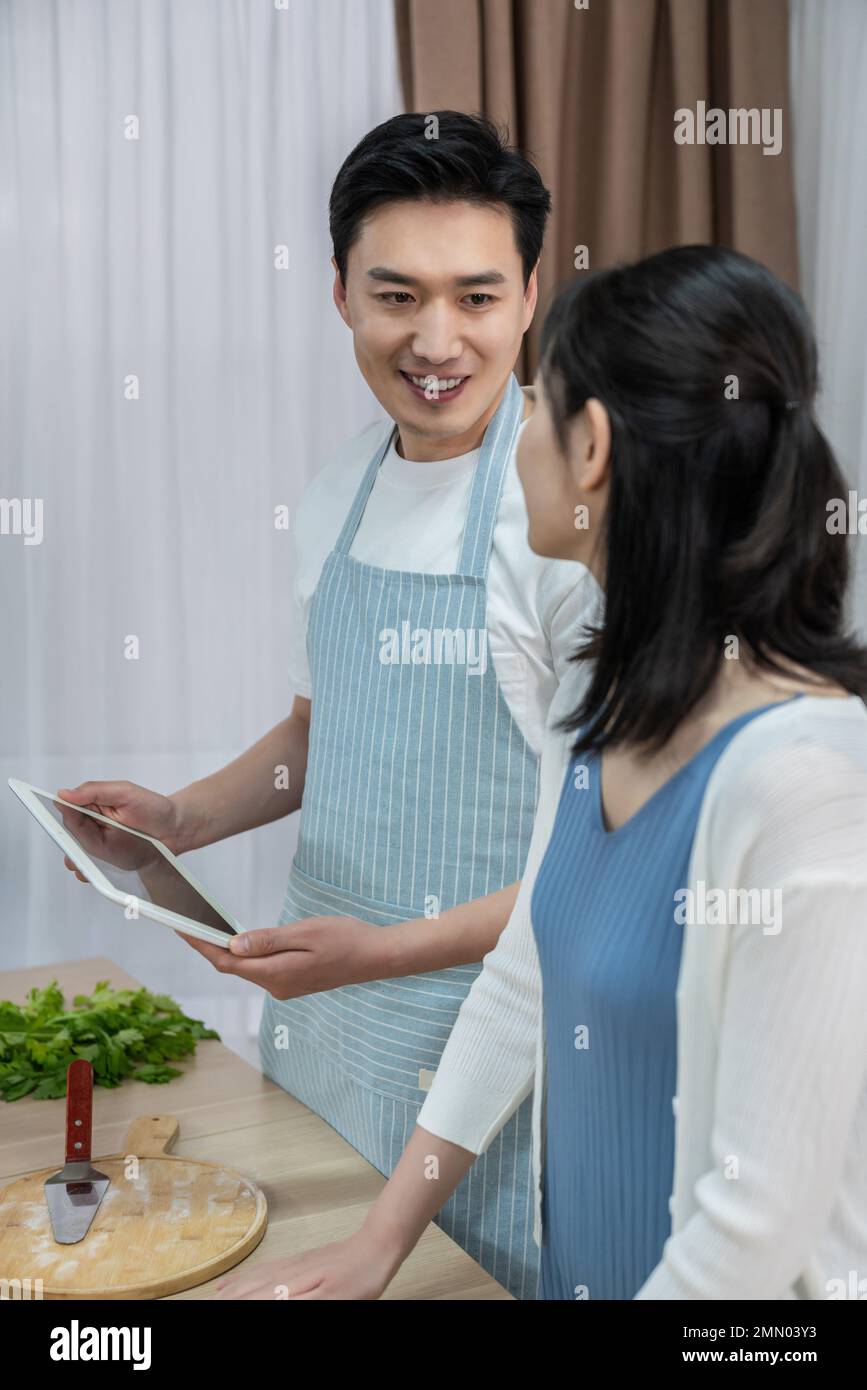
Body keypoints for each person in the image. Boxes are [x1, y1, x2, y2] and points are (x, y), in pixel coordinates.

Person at [212, 244, 867, 1299]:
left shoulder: (809, 781)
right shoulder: (600, 705)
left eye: (539, 402)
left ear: (592, 447)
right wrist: (378, 1243)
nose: (516, 435)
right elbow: (526, 978)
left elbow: (752, 1237)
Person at [57, 111, 596, 1301]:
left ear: (531, 293)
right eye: (398, 294)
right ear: (341, 288)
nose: (437, 339)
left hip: (487, 1047)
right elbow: (321, 730)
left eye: (477, 296)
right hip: (323, 1022)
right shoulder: (341, 484)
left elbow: (593, 867)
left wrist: (382, 954)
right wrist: (179, 821)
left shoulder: (570, 520)